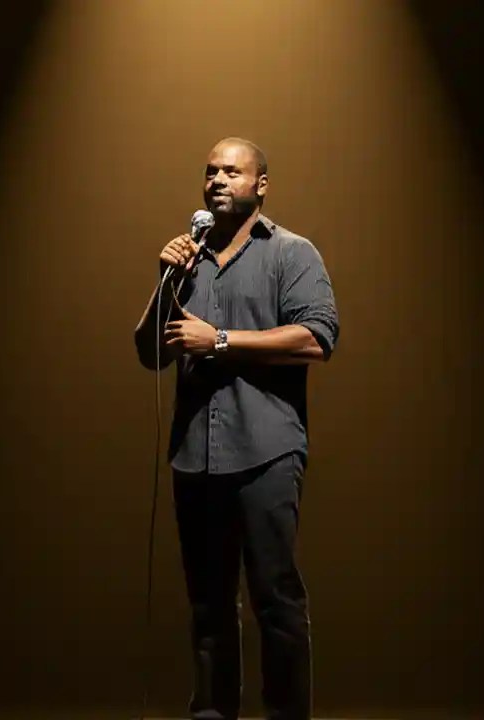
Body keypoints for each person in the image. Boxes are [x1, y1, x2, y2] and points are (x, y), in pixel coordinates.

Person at [133, 137, 339, 720]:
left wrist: (219, 341)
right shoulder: (189, 258)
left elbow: (317, 337)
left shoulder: (292, 253)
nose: (218, 179)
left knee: (275, 600)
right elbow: (150, 354)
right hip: (195, 457)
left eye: (232, 170)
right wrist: (165, 278)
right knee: (208, 607)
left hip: (266, 453)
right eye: (210, 171)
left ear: (261, 185)